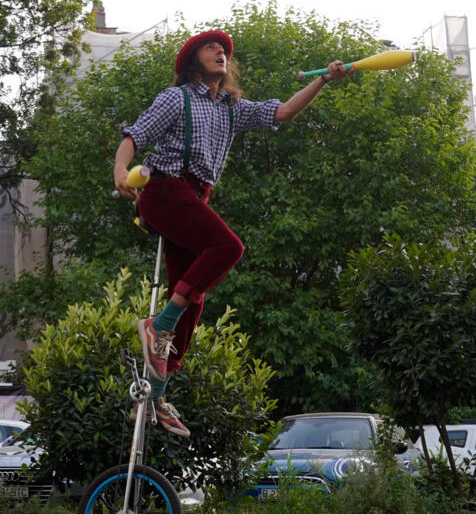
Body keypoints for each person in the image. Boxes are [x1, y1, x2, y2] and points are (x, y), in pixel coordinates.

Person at [113, 31, 349, 437]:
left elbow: (284, 113)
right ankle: (159, 325)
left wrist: (323, 80)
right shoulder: (177, 98)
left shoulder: (232, 109)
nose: (221, 52)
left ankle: (157, 391)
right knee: (228, 246)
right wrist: (120, 171)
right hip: (165, 189)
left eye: (223, 50)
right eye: (211, 48)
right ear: (193, 60)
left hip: (194, 199)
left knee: (195, 297)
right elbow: (134, 136)